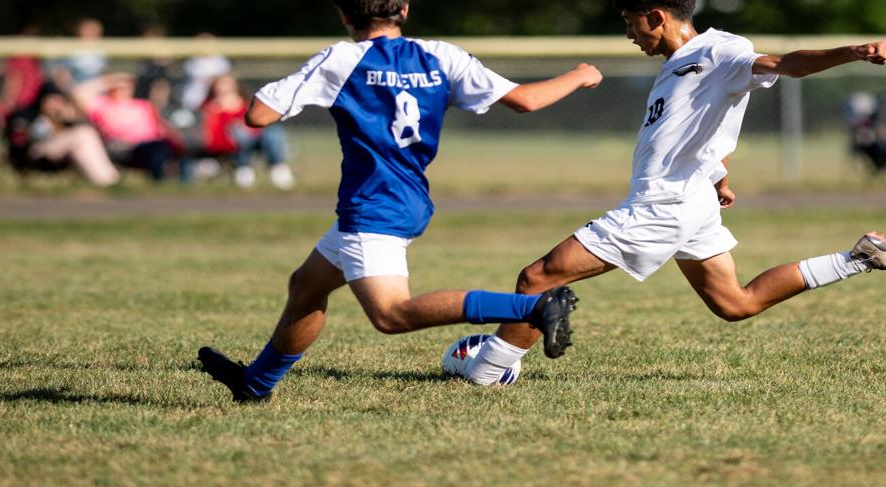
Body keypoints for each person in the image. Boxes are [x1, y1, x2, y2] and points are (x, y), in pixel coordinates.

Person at [454, 0, 886, 386]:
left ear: (657, 16)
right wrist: (719, 174)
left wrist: (851, 52)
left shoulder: (718, 51)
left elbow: (784, 64)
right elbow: (696, 131)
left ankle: (489, 373)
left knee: (537, 278)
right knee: (735, 304)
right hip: (691, 197)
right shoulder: (676, 66)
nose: (629, 35)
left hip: (665, 203)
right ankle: (862, 257)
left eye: (630, 23)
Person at [196, 0, 603, 404]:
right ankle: (257, 383)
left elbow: (258, 116)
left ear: (343, 15)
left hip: (371, 203)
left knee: (391, 315)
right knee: (306, 286)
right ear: (404, 10)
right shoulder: (441, 56)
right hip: (408, 197)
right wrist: (579, 74)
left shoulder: (342, 59)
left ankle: (533, 306)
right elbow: (526, 100)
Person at [3, 89, 120, 187]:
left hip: (61, 152)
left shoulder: (64, 117)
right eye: (51, 100)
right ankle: (107, 180)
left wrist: (71, 119)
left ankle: (106, 180)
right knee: (83, 134)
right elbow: (26, 140)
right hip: (36, 153)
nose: (55, 104)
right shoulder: (33, 117)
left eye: (59, 101)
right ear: (43, 100)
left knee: (81, 144)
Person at [200, 74, 297, 190]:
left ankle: (277, 167)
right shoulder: (209, 108)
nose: (224, 90)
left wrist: (239, 115)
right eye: (220, 86)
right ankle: (243, 168)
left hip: (255, 139)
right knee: (238, 132)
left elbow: (257, 125)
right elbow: (210, 134)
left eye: (228, 86)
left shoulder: (245, 105)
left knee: (273, 133)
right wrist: (216, 112)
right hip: (230, 144)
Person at [75, 74, 177, 182]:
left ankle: (164, 181)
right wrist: (107, 81)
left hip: (149, 146)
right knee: (156, 150)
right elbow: (78, 93)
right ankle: (159, 179)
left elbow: (162, 129)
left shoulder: (144, 106)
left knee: (160, 147)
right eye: (119, 86)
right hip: (120, 147)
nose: (124, 89)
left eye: (128, 85)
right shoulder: (103, 104)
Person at [48, 19, 106, 91]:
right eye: (87, 30)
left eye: (93, 30)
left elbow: (103, 74)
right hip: (72, 89)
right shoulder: (69, 50)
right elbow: (60, 74)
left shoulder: (102, 52)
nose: (89, 33)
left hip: (94, 89)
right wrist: (72, 89)